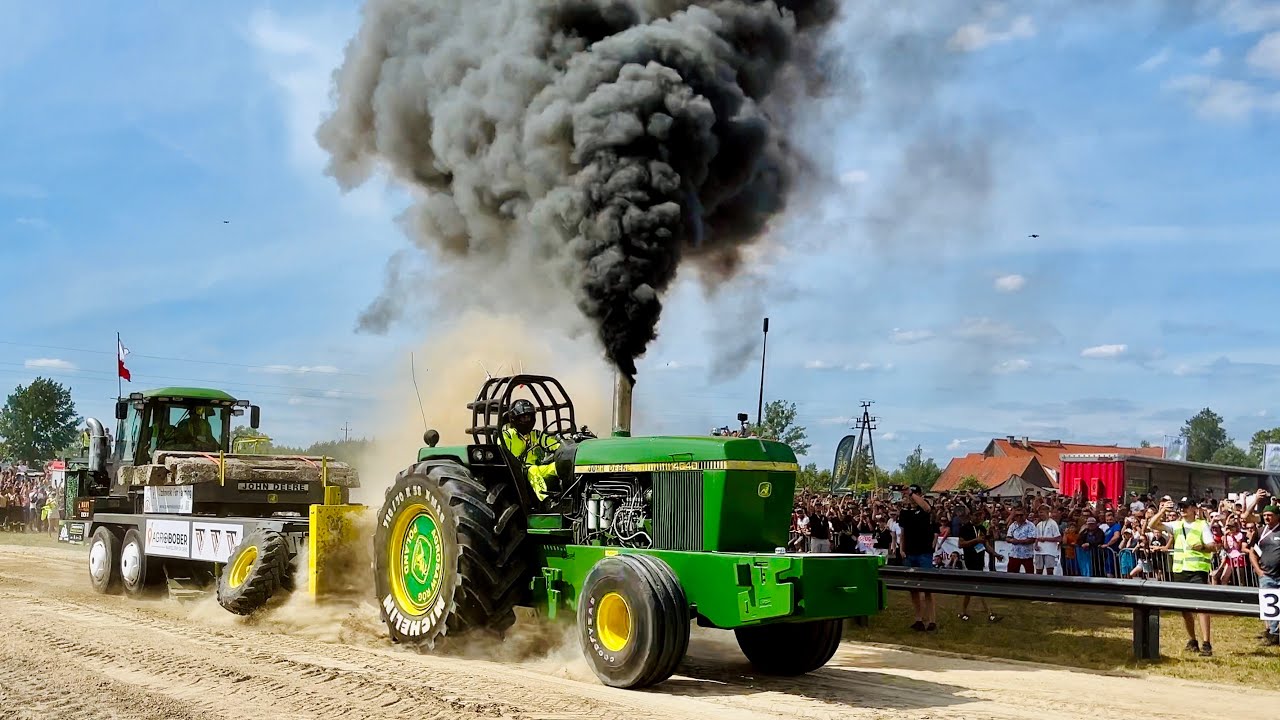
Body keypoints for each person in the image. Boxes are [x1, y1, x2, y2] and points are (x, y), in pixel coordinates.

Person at [1148, 497, 1218, 656]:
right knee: (1184, 609)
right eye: (1181, 507)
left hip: (1197, 570)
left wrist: (1202, 547)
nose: (1182, 509)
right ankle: (1192, 640)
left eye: (1186, 507)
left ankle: (1206, 643)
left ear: (1194, 508)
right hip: (1180, 571)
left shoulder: (1201, 525)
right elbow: (1152, 525)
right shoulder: (1176, 525)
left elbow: (1213, 547)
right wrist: (1162, 511)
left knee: (1201, 607)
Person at [500, 399, 561, 503]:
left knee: (559, 467)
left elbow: (554, 444)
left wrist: (565, 447)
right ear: (515, 418)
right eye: (524, 417)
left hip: (536, 468)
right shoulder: (507, 436)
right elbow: (501, 455)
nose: (527, 420)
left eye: (529, 417)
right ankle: (547, 501)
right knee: (533, 470)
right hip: (516, 471)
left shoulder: (536, 435)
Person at [898, 484, 937, 631]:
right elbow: (903, 533)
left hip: (924, 552)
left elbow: (927, 508)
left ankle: (932, 620)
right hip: (910, 552)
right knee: (913, 588)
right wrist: (901, 549)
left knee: (928, 587)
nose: (911, 497)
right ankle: (919, 619)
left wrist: (912, 494)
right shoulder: (905, 512)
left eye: (914, 494)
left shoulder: (924, 509)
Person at [1249, 504, 1280, 646]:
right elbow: (1252, 552)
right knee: (1270, 605)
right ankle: (1272, 634)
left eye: (1270, 515)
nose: (1267, 517)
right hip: (1267, 575)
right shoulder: (1260, 532)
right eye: (1265, 515)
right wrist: (1258, 570)